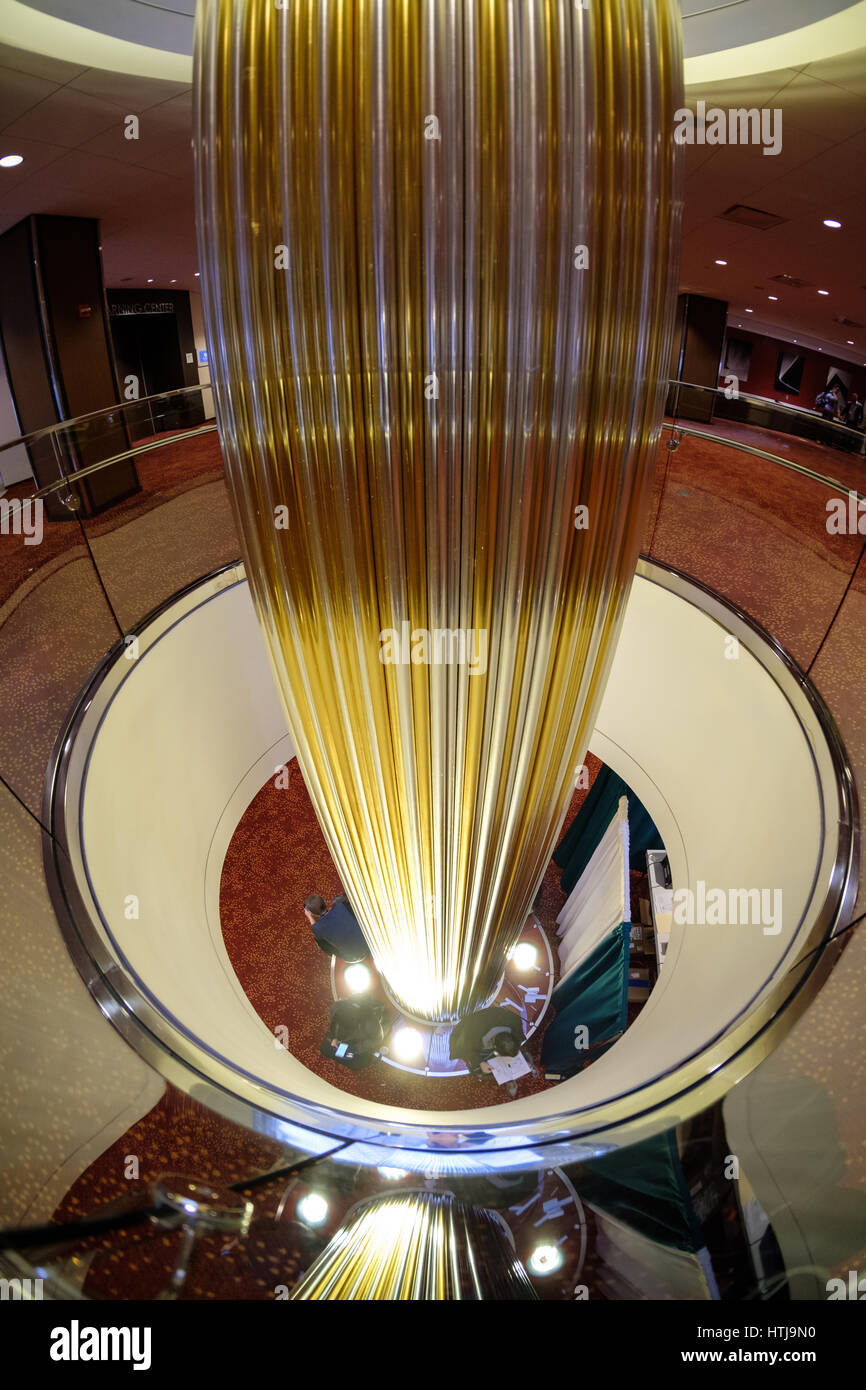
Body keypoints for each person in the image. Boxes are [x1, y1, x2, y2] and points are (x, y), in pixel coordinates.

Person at [448, 1005, 535, 1092]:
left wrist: (522, 1059)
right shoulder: (471, 1035)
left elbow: (519, 1040)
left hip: (490, 1021)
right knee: (476, 1064)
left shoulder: (514, 1022)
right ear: (493, 1045)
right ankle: (502, 1076)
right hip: (468, 1030)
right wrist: (480, 1062)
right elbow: (467, 1050)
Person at [320, 998, 388, 1071]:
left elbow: (376, 1040)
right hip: (345, 1037)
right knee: (326, 1049)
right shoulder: (338, 1007)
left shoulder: (372, 1025)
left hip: (359, 1042)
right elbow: (333, 1021)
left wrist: (356, 1048)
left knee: (357, 1063)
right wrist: (334, 1037)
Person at [304, 892, 370, 962]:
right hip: (369, 941)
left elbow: (317, 931)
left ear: (312, 913)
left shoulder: (317, 928)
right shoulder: (340, 904)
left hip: (354, 956)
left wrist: (310, 917)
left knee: (321, 941)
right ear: (324, 902)